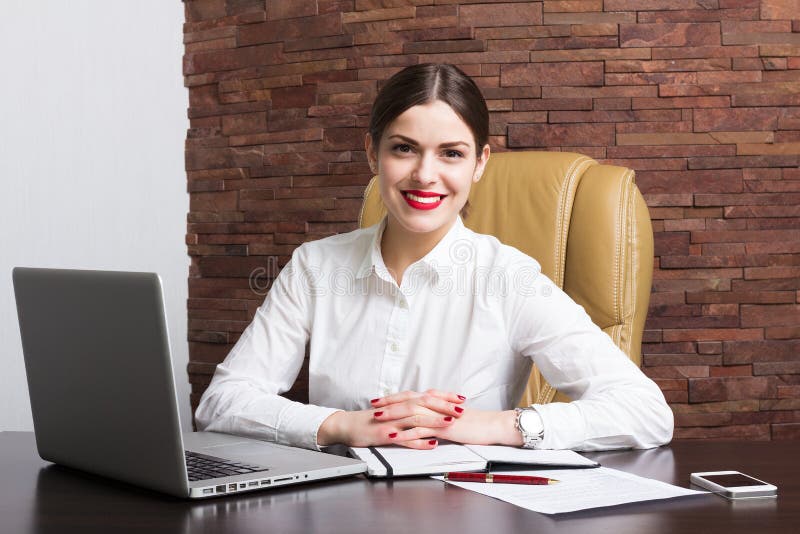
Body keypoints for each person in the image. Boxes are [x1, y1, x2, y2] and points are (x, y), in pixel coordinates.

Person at [195, 63, 674, 452]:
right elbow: (222, 402)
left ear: (480, 163)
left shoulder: (508, 278)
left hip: (467, 508)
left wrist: (489, 425)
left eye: (451, 153)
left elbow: (645, 412)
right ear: (372, 153)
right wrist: (343, 426)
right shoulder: (315, 267)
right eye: (404, 148)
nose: (425, 175)